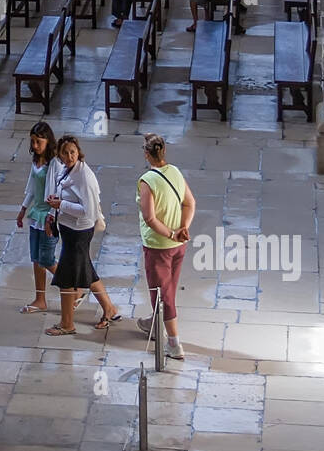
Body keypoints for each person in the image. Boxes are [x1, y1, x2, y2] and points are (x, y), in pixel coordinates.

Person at [45, 136, 121, 336]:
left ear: (78, 152)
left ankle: (67, 324)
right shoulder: (66, 170)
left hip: (79, 232)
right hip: (69, 230)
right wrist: (53, 211)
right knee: (86, 270)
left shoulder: (84, 177)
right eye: (65, 152)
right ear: (60, 155)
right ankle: (109, 309)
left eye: (73, 152)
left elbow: (87, 211)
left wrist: (61, 205)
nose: (70, 156)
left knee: (66, 278)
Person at [135, 134, 195, 361]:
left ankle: (174, 344)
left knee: (164, 295)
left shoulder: (147, 181)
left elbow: (149, 218)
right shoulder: (176, 172)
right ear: (164, 152)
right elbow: (190, 203)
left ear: (146, 154)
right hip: (179, 245)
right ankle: (156, 320)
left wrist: (170, 233)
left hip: (158, 246)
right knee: (167, 289)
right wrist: (183, 229)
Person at [16, 122, 64, 314]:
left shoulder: (55, 164)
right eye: (33, 141)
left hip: (49, 217)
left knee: (47, 258)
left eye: (39, 141)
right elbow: (32, 188)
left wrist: (51, 217)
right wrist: (22, 210)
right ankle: (40, 298)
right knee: (36, 259)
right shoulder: (36, 162)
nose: (35, 145)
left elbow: (58, 193)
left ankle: (72, 287)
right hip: (36, 215)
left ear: (48, 141)